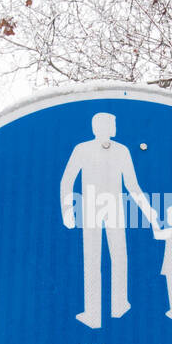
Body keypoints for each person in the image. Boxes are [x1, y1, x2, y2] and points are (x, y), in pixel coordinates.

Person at [59, 112, 158, 329]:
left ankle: (119, 305)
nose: (114, 127)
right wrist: (67, 210)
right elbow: (67, 180)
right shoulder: (82, 149)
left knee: (119, 257)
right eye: (111, 123)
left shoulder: (121, 150)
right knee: (92, 260)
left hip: (114, 209)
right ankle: (93, 313)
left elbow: (132, 185)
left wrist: (150, 213)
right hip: (91, 208)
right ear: (99, 127)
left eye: (114, 123)